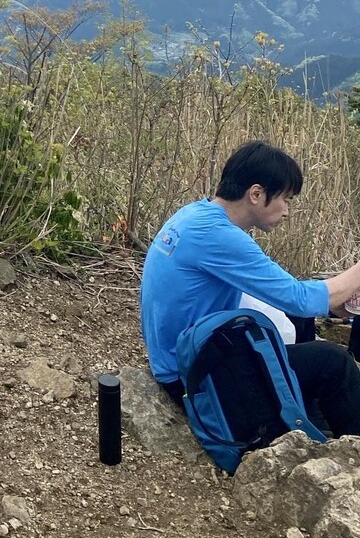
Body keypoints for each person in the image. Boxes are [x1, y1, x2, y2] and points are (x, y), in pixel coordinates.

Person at [140, 140, 360, 436]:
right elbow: (301, 298)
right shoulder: (219, 235)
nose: (287, 211)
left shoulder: (197, 215)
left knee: (295, 318)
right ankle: (345, 451)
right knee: (334, 363)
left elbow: (288, 295)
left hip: (181, 354)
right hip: (193, 378)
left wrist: (331, 302)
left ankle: (305, 414)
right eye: (286, 199)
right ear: (256, 194)